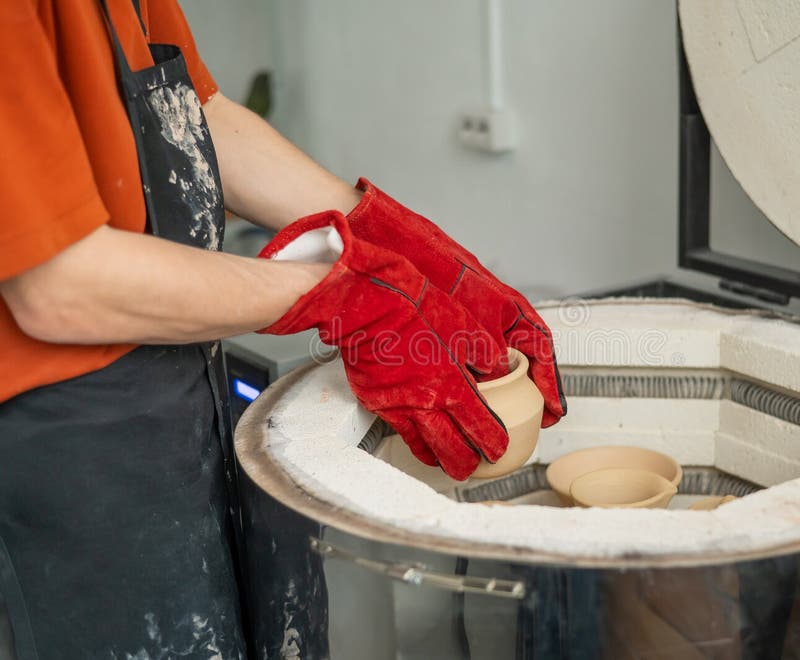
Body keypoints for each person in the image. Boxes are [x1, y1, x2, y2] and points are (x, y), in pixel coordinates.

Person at [0, 1, 566, 657]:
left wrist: (404, 247)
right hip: (53, 455)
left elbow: (199, 120)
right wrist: (342, 296)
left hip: (175, 399)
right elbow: (57, 283)